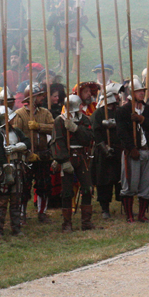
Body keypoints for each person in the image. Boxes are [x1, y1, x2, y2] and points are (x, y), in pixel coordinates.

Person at [115, 78, 149, 223]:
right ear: (132, 92)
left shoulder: (148, 110)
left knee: (147, 184)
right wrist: (131, 147)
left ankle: (142, 214)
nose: (142, 93)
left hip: (148, 150)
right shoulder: (123, 111)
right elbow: (121, 133)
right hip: (132, 152)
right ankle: (129, 215)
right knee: (130, 184)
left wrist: (142, 120)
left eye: (143, 90)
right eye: (138, 91)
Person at [53, 94, 97, 231]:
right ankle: (67, 223)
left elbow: (89, 138)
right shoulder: (59, 121)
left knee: (88, 188)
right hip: (67, 157)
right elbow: (58, 142)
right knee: (67, 192)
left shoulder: (83, 119)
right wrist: (64, 160)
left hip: (82, 156)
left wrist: (76, 129)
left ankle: (86, 222)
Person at [14, 82, 55, 222]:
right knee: (24, 187)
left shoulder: (45, 113)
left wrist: (39, 127)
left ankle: (42, 212)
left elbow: (54, 128)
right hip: (25, 156)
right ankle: (22, 214)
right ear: (31, 98)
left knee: (44, 185)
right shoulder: (19, 115)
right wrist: (26, 153)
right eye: (38, 96)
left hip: (42, 154)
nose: (42, 98)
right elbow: (16, 136)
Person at [0, 107, 31, 237]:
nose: (13, 120)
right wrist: (5, 157)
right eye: (10, 118)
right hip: (3, 169)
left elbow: (27, 142)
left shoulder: (16, 131)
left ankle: (16, 228)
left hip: (17, 167)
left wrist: (16, 147)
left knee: (16, 200)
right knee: (2, 201)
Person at [91, 86, 122, 219]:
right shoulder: (98, 114)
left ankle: (125, 205)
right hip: (103, 151)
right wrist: (105, 148)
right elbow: (95, 132)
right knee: (104, 180)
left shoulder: (119, 112)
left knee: (120, 179)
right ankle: (105, 208)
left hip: (118, 149)